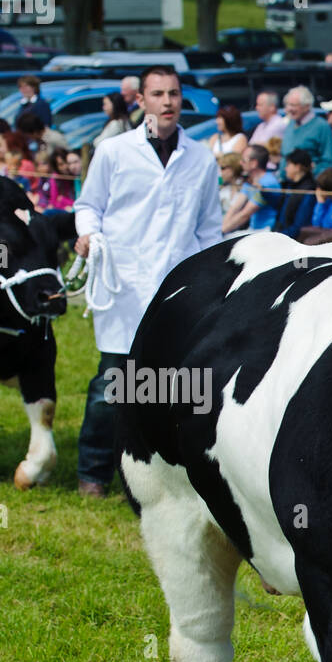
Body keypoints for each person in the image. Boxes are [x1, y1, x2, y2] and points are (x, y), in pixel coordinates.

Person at [73, 65, 223, 498]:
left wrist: (211, 281)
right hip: (124, 285)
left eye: (174, 93)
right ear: (141, 101)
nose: (168, 102)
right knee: (112, 384)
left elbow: (209, 229)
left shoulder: (200, 158)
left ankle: (158, 478)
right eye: (158, 94)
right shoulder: (114, 152)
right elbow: (89, 204)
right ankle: (93, 472)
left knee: (173, 388)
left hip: (178, 292)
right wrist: (87, 233)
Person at [222, 144, 281, 233]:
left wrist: (221, 232)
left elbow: (245, 214)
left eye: (243, 160)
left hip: (266, 232)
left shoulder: (268, 183)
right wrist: (222, 228)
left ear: (254, 163)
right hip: (253, 230)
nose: (240, 163)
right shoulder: (250, 180)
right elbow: (234, 208)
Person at [280, 86, 332, 176]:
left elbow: (328, 162)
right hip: (287, 184)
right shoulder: (290, 123)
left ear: (307, 106)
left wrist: (311, 173)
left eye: (293, 105)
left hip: (308, 186)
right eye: (287, 105)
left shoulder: (322, 126)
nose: (288, 109)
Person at [275, 148, 317, 237]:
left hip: (291, 241)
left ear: (297, 167)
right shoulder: (289, 185)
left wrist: (277, 238)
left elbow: (300, 226)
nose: (285, 168)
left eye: (288, 165)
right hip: (280, 234)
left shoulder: (309, 190)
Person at [217, 150, 244, 216]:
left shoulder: (246, 187)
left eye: (222, 168)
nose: (220, 172)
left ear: (234, 167)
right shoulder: (222, 188)